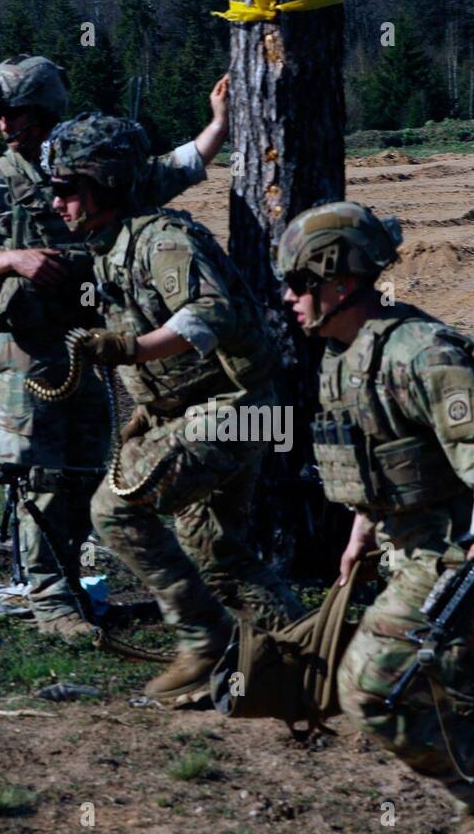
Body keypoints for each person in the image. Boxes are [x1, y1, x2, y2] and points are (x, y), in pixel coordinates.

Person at [275, 200, 474, 834]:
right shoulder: (343, 354)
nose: (288, 297)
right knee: (440, 696)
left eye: (298, 282)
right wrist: (363, 529)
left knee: (373, 692)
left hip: (457, 554)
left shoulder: (421, 353)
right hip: (408, 546)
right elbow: (386, 457)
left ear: (338, 279)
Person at [0, 56, 231, 642]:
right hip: (24, 354)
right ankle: (49, 601)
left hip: (94, 348)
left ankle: (68, 583)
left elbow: (172, 169)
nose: (4, 126)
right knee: (36, 473)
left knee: (84, 468)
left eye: (15, 114)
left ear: (46, 111)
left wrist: (219, 124)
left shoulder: (90, 165)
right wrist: (10, 259)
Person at [46, 112, 304, 703]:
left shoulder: (162, 240)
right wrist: (151, 406)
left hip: (234, 410)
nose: (58, 205)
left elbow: (206, 314)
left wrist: (131, 349)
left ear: (103, 183)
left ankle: (204, 639)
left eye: (66, 190)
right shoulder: (114, 246)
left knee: (114, 511)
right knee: (218, 554)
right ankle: (308, 655)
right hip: (210, 410)